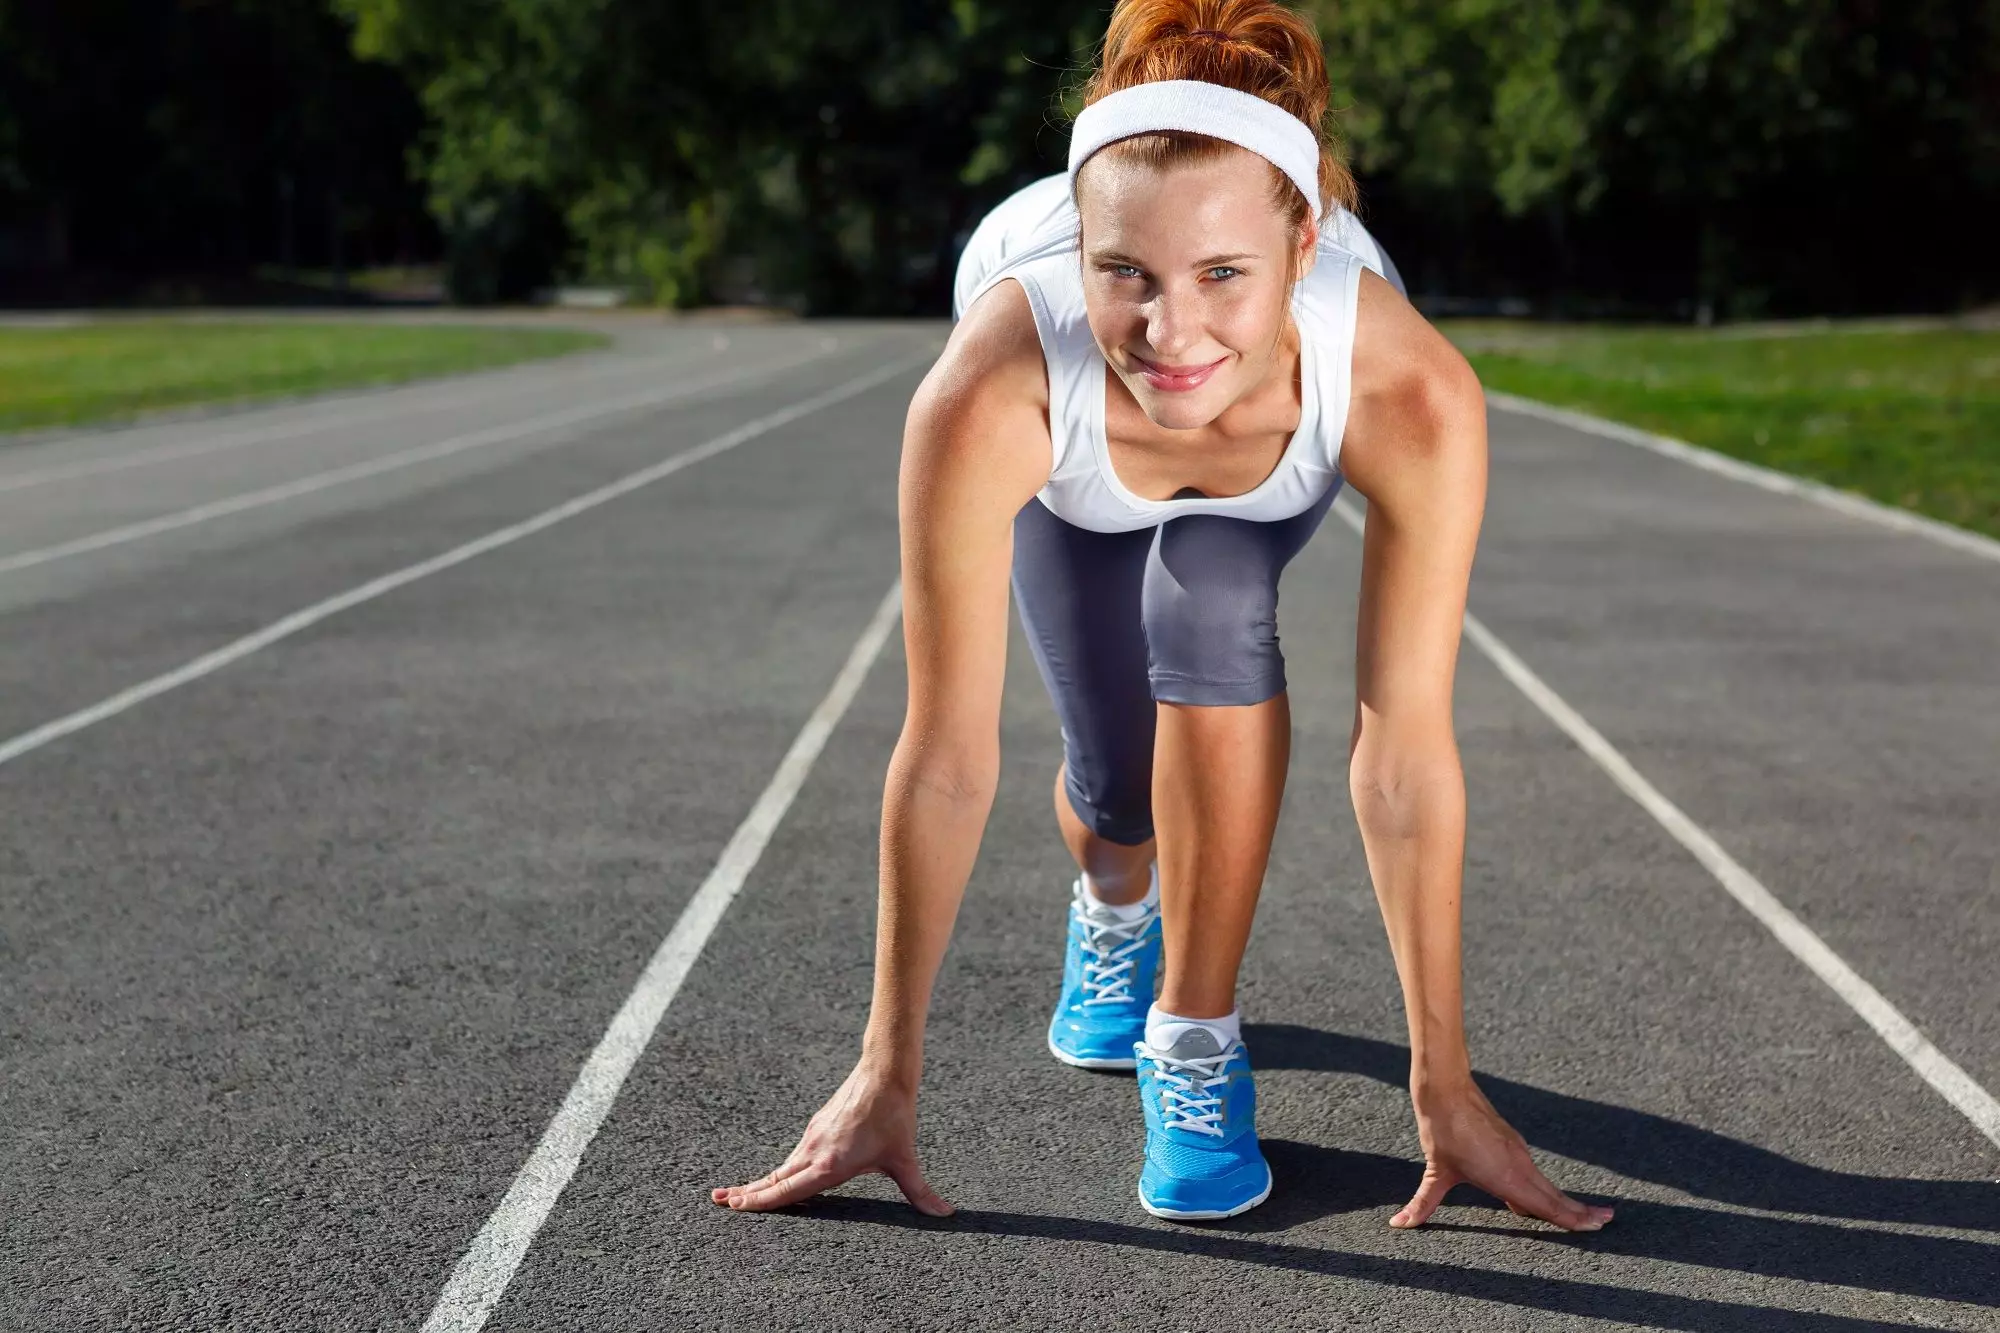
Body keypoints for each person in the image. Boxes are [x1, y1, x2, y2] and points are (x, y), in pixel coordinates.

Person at [714, 0, 1614, 1230]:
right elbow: (944, 754)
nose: (1171, 331)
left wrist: (1443, 1082)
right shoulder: (996, 378)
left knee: (1212, 601)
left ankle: (1190, 1039)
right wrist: (884, 1071)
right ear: (1073, 246)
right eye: (1123, 273)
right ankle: (1113, 896)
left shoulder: (1403, 384)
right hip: (1076, 481)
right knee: (1113, 788)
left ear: (1305, 250)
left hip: (1264, 476)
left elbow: (1401, 756)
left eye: (1223, 276)